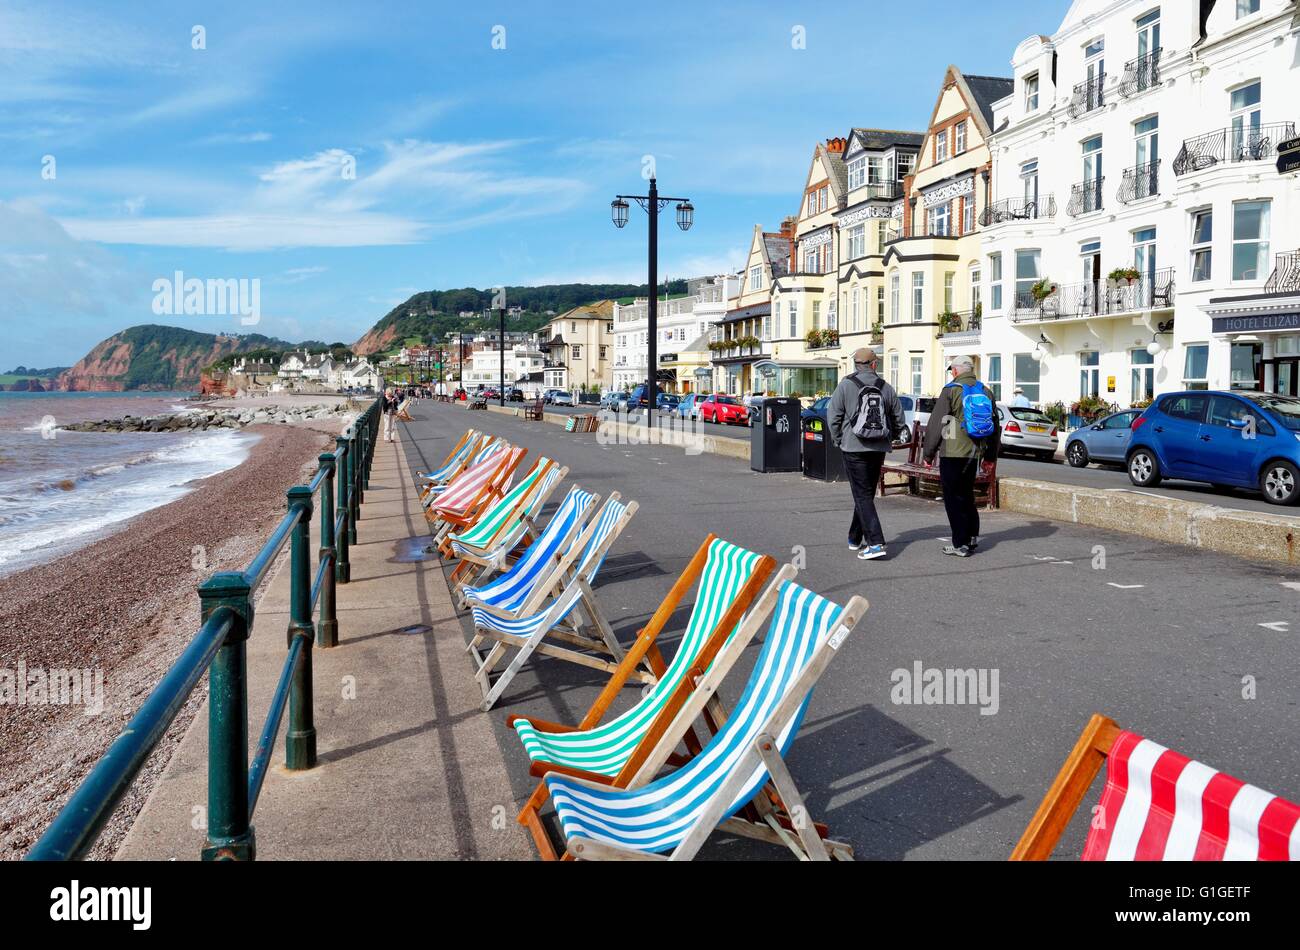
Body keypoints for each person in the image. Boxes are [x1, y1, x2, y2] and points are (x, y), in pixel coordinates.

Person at [827, 347, 908, 561]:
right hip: (878, 448)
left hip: (853, 447)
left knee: (861, 494)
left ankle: (875, 542)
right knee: (865, 494)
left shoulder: (845, 385)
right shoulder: (886, 387)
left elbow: (833, 415)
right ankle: (855, 538)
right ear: (874, 365)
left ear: (856, 365)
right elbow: (899, 418)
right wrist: (892, 437)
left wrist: (838, 439)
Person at [922, 357, 1001, 557]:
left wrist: (929, 453)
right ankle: (972, 536)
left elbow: (937, 423)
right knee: (967, 494)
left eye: (952, 371)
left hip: (953, 452)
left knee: (953, 497)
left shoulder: (951, 390)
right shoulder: (986, 391)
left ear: (956, 371)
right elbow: (995, 428)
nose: (951, 374)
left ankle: (960, 544)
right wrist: (990, 457)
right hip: (975, 452)